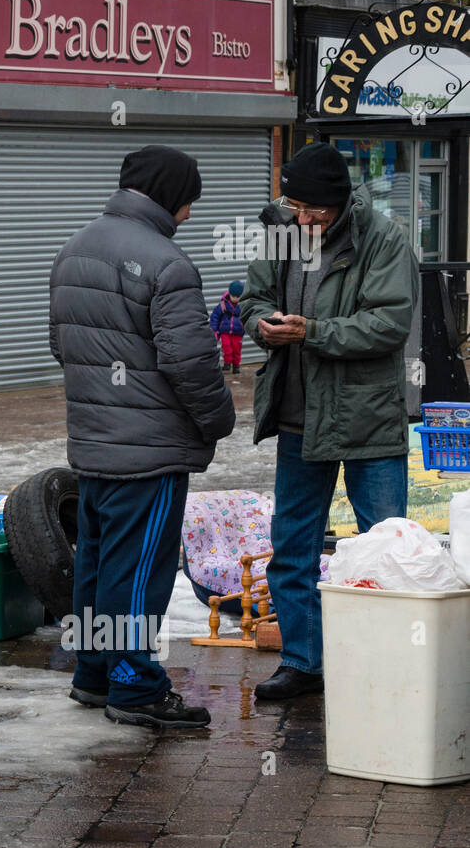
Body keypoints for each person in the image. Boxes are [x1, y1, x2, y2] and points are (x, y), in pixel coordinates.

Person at [49, 145, 236, 730]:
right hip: (149, 451)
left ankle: (94, 673)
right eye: (188, 205)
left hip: (95, 442)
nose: (188, 217)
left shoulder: (74, 248)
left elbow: (62, 346)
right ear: (170, 197)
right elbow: (192, 363)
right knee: (139, 571)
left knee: (98, 564)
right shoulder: (168, 263)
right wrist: (219, 421)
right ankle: (135, 687)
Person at [241, 142, 418, 701]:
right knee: (292, 548)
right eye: (294, 205)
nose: (302, 218)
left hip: (368, 422)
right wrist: (260, 323)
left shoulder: (383, 239)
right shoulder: (284, 231)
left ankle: (389, 665)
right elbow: (252, 297)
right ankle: (302, 664)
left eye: (312, 209)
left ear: (340, 202)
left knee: (387, 549)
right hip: (298, 417)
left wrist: (312, 333)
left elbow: (389, 325)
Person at [211, 280, 245, 375]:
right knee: (227, 348)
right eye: (233, 296)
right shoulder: (223, 305)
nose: (235, 299)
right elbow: (215, 317)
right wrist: (214, 330)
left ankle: (236, 366)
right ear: (229, 294)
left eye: (238, 297)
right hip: (225, 331)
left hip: (238, 332)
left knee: (236, 350)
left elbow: (248, 317)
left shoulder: (244, 306)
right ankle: (227, 363)